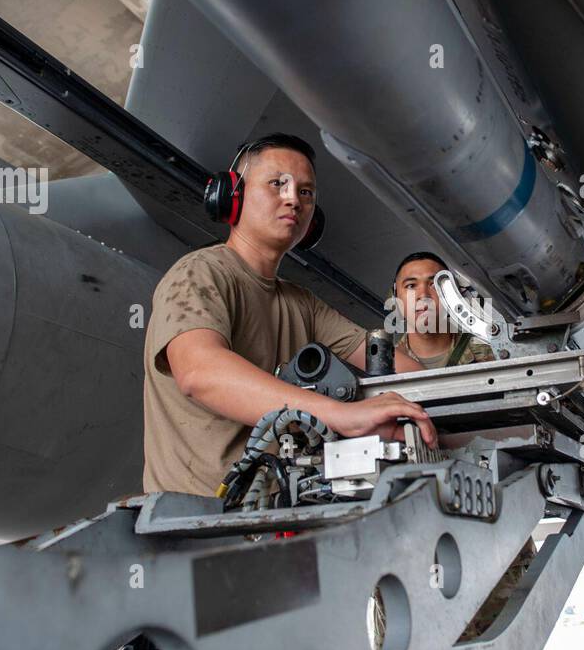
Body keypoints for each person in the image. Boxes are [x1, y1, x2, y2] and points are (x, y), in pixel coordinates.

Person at [142, 133, 432, 497]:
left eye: (306, 192)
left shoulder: (301, 303)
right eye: (277, 183)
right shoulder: (199, 273)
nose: (293, 198)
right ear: (234, 196)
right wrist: (342, 416)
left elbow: (399, 369)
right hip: (200, 521)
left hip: (278, 514)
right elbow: (200, 372)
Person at [390, 251, 495, 368]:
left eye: (434, 285)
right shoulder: (386, 364)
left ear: (451, 294)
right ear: (396, 297)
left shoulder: (492, 353)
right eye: (411, 286)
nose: (423, 295)